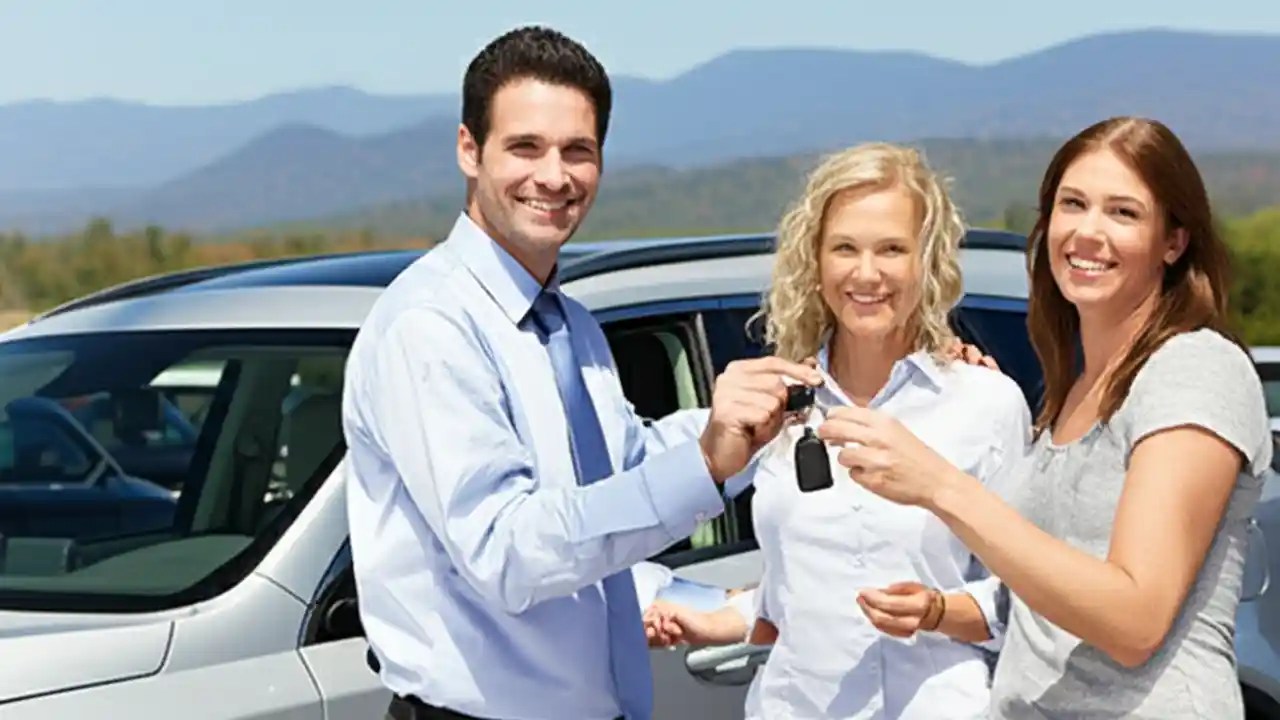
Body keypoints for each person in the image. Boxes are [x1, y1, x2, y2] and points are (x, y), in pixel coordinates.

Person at [341, 26, 821, 720]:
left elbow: (619, 475)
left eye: (578, 151)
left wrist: (766, 420)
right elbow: (506, 550)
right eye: (525, 147)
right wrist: (706, 466)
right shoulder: (431, 327)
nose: (554, 176)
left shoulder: (571, 324)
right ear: (468, 151)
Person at [820, 117, 1273, 718]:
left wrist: (941, 488)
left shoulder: (1193, 369)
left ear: (1175, 241)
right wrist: (935, 611)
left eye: (1123, 213)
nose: (1088, 232)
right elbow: (1044, 607)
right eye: (1073, 204)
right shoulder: (1075, 387)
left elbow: (1134, 620)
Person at [644, 142, 1033, 719]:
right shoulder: (776, 405)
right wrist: (713, 622)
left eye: (892, 250)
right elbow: (796, 588)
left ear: (926, 261)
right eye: (845, 248)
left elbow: (1026, 599)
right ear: (816, 260)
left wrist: (934, 610)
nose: (866, 273)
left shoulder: (985, 403)